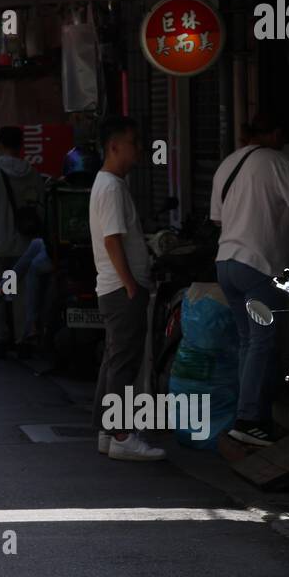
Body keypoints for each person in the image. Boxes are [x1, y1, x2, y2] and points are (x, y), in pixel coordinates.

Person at [211, 111, 289, 446]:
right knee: (261, 341)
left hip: (226, 264)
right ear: (272, 135)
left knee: (249, 342)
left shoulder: (227, 164)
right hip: (257, 265)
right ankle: (248, 420)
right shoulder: (275, 162)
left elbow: (217, 219)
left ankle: (246, 417)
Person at [90, 116, 165, 462]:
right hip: (122, 289)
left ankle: (110, 431)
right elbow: (112, 240)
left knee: (115, 359)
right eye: (133, 143)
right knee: (124, 362)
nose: (139, 151)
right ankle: (121, 434)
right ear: (114, 146)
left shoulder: (108, 184)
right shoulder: (111, 187)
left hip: (116, 288)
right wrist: (131, 284)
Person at [0, 125, 45, 358]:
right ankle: (23, 339)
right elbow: (41, 209)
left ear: (0, 145)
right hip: (24, 246)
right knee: (21, 292)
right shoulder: (32, 174)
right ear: (20, 145)